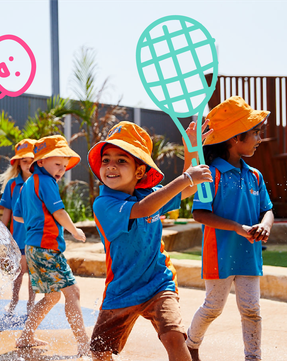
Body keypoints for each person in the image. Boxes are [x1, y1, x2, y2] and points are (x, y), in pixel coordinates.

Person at [88, 121, 212, 361]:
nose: (111, 165)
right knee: (99, 351)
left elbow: (186, 190)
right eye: (106, 159)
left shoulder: (149, 194)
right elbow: (143, 209)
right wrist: (186, 178)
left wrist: (190, 149)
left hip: (158, 282)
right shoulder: (104, 203)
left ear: (139, 172)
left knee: (174, 337)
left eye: (121, 160)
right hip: (122, 288)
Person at [186, 96, 274, 361]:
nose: (259, 139)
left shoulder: (255, 175)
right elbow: (199, 213)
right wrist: (237, 227)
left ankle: (253, 358)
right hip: (219, 255)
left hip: (249, 255)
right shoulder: (209, 174)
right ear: (236, 137)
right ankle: (190, 344)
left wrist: (265, 225)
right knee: (213, 307)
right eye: (255, 133)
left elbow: (267, 209)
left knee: (252, 311)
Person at [12, 135, 89, 357]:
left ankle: (26, 336)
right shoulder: (46, 182)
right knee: (72, 292)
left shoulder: (28, 184)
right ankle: (84, 344)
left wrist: (35, 218)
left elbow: (18, 216)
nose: (61, 170)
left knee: (52, 296)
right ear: (41, 161)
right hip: (46, 246)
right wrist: (75, 231)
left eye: (64, 166)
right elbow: (59, 212)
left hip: (33, 247)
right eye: (57, 164)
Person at [0, 138, 37, 315]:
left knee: (34, 274)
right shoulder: (12, 185)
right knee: (19, 273)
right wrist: (1, 234)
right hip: (18, 238)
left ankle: (31, 304)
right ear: (18, 163)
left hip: (36, 236)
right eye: (24, 161)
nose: (28, 164)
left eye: (31, 160)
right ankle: (13, 302)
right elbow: (7, 212)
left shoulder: (42, 183)